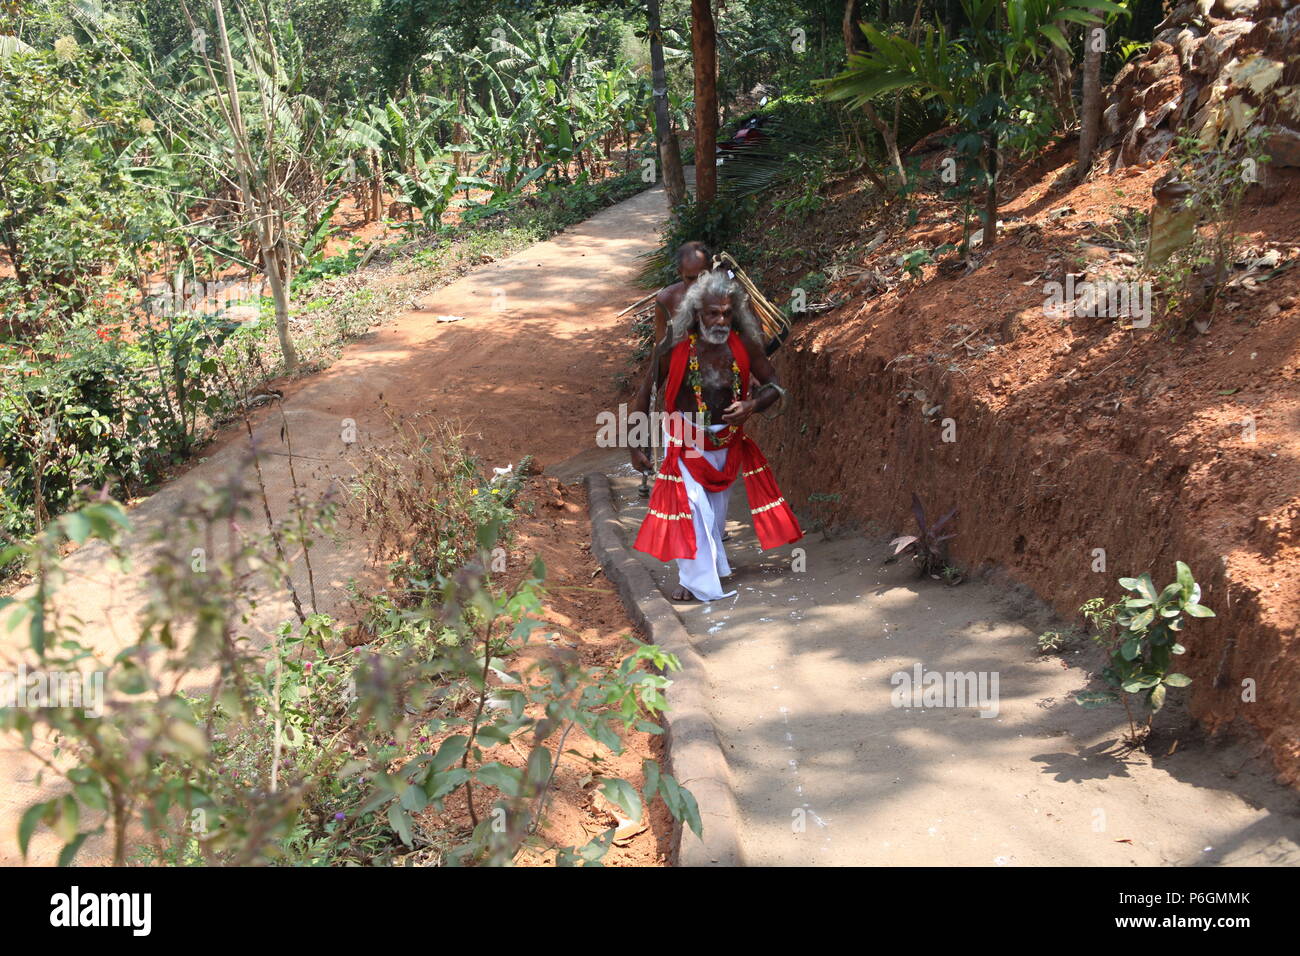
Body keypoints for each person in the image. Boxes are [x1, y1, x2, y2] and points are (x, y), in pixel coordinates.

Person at [628, 269, 802, 602]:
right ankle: (693, 580)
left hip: (726, 444)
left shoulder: (744, 346)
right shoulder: (673, 348)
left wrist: (752, 404)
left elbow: (774, 385)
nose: (720, 320)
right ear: (696, 313)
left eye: (726, 312)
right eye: (712, 313)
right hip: (684, 443)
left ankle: (711, 566)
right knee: (694, 510)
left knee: (715, 519)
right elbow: (645, 395)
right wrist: (636, 447)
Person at [652, 241, 712, 349]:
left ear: (710, 269)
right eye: (690, 278)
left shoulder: (724, 297)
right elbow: (661, 347)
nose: (696, 285)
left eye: (702, 277)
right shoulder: (666, 299)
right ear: (680, 273)